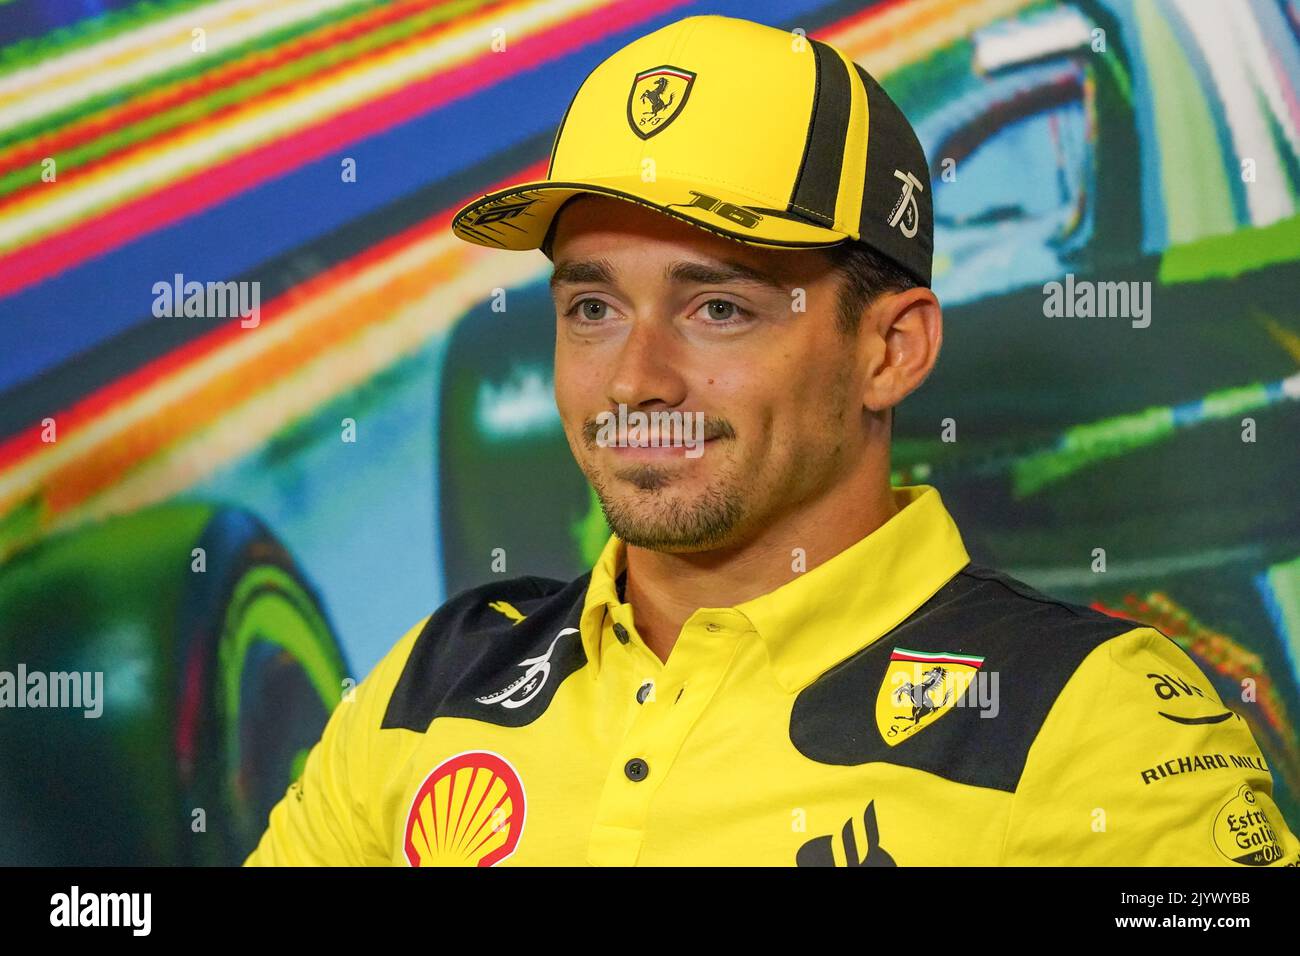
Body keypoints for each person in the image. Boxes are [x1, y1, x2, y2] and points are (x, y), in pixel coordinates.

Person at [245, 14, 1299, 866]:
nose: (635, 380)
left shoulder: (1098, 728)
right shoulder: (425, 692)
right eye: (591, 309)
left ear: (891, 349)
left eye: (719, 310)